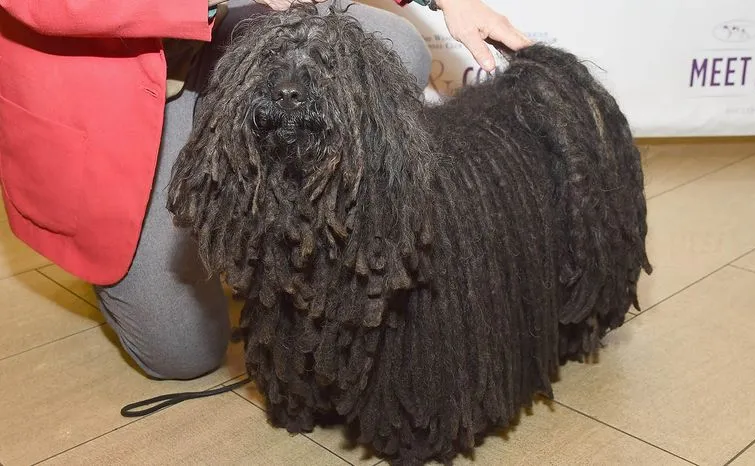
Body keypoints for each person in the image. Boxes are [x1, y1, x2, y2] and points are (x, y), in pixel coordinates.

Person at [0, 0, 530, 380]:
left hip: (230, 30)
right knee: (185, 356)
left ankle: (309, 244)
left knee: (391, 50)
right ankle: (122, 256)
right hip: (115, 82)